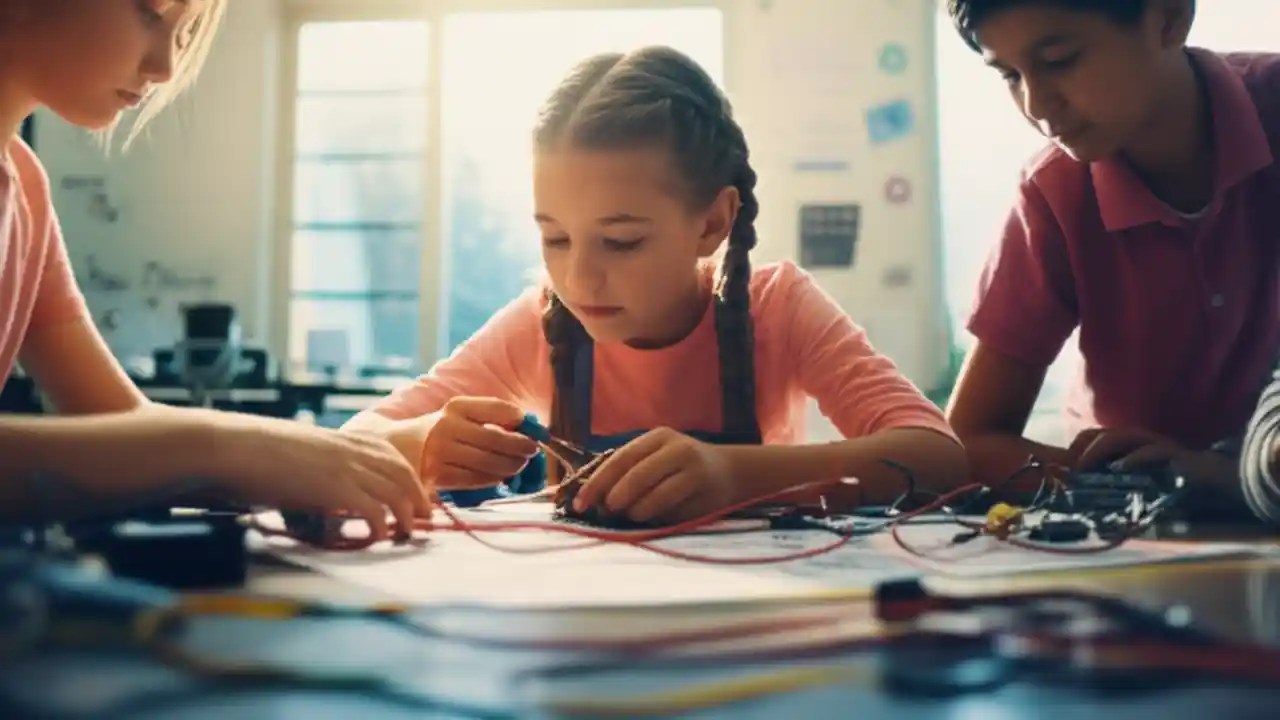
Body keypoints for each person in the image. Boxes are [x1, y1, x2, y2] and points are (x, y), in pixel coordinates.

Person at [345, 46, 965, 525]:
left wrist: (733, 475)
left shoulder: (776, 309)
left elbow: (938, 459)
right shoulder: (542, 321)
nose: (579, 278)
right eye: (555, 238)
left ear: (714, 223)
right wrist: (419, 441)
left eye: (621, 242)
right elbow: (353, 444)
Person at [0, 0, 427, 536]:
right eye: (152, 13)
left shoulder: (26, 189)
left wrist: (367, 450)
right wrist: (220, 447)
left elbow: (117, 422)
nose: (166, 68)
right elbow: (160, 448)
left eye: (186, 32)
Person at [942, 0, 1280, 508]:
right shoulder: (1055, 195)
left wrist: (1225, 474)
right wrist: (1127, 478)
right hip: (1142, 529)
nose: (1035, 104)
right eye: (1010, 74)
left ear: (1169, 18)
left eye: (1059, 60)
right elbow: (969, 439)